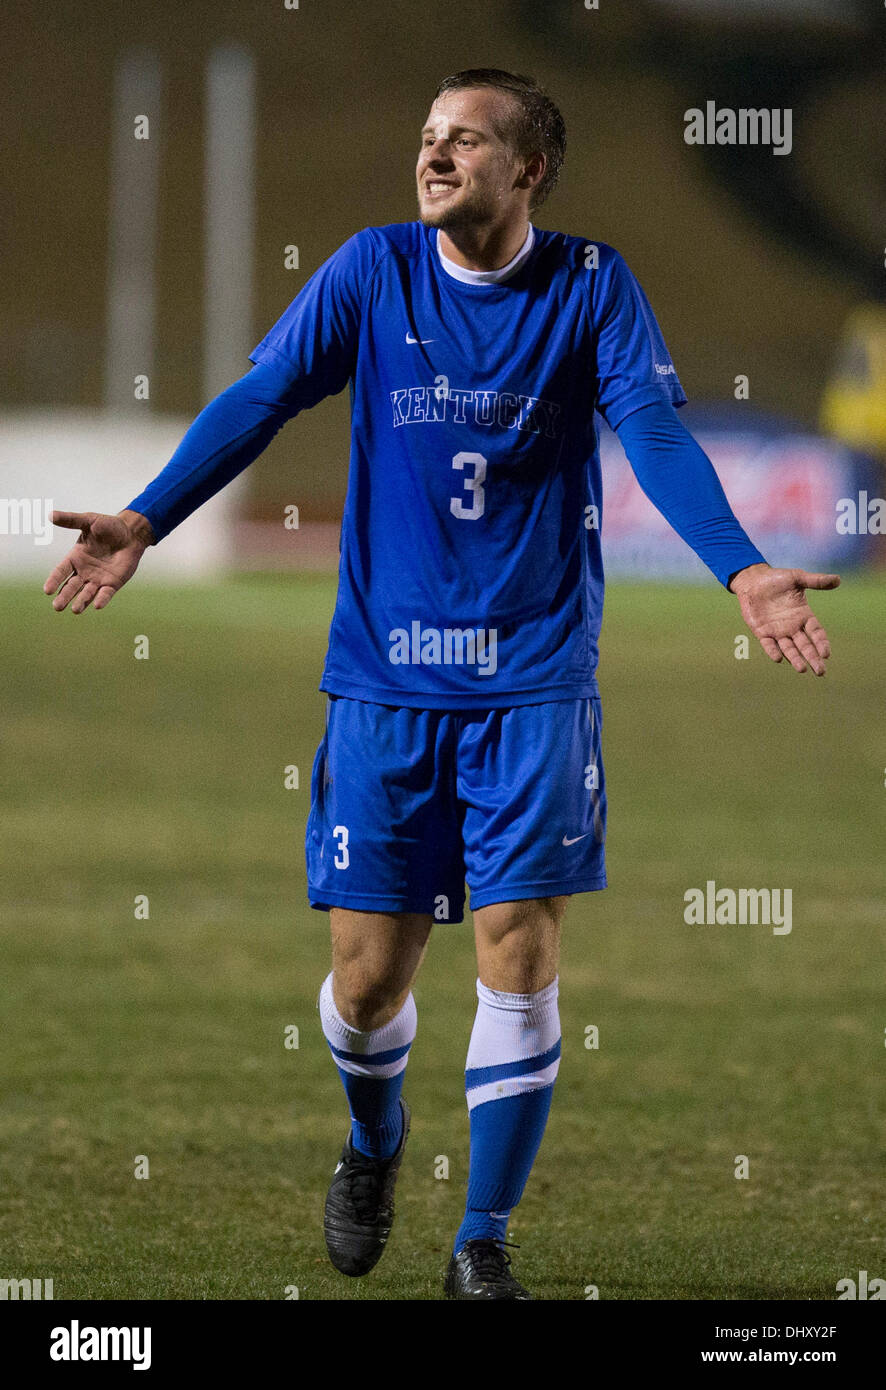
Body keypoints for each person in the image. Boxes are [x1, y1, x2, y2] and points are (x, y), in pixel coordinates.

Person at [44, 68, 838, 1301]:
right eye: (426, 136)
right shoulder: (371, 270)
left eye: (464, 140)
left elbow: (654, 429)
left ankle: (482, 1240)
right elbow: (263, 396)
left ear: (527, 170)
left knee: (519, 952)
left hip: (534, 682)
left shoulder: (591, 286)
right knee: (368, 983)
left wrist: (739, 569)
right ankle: (374, 1141)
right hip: (384, 684)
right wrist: (149, 516)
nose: (433, 155)